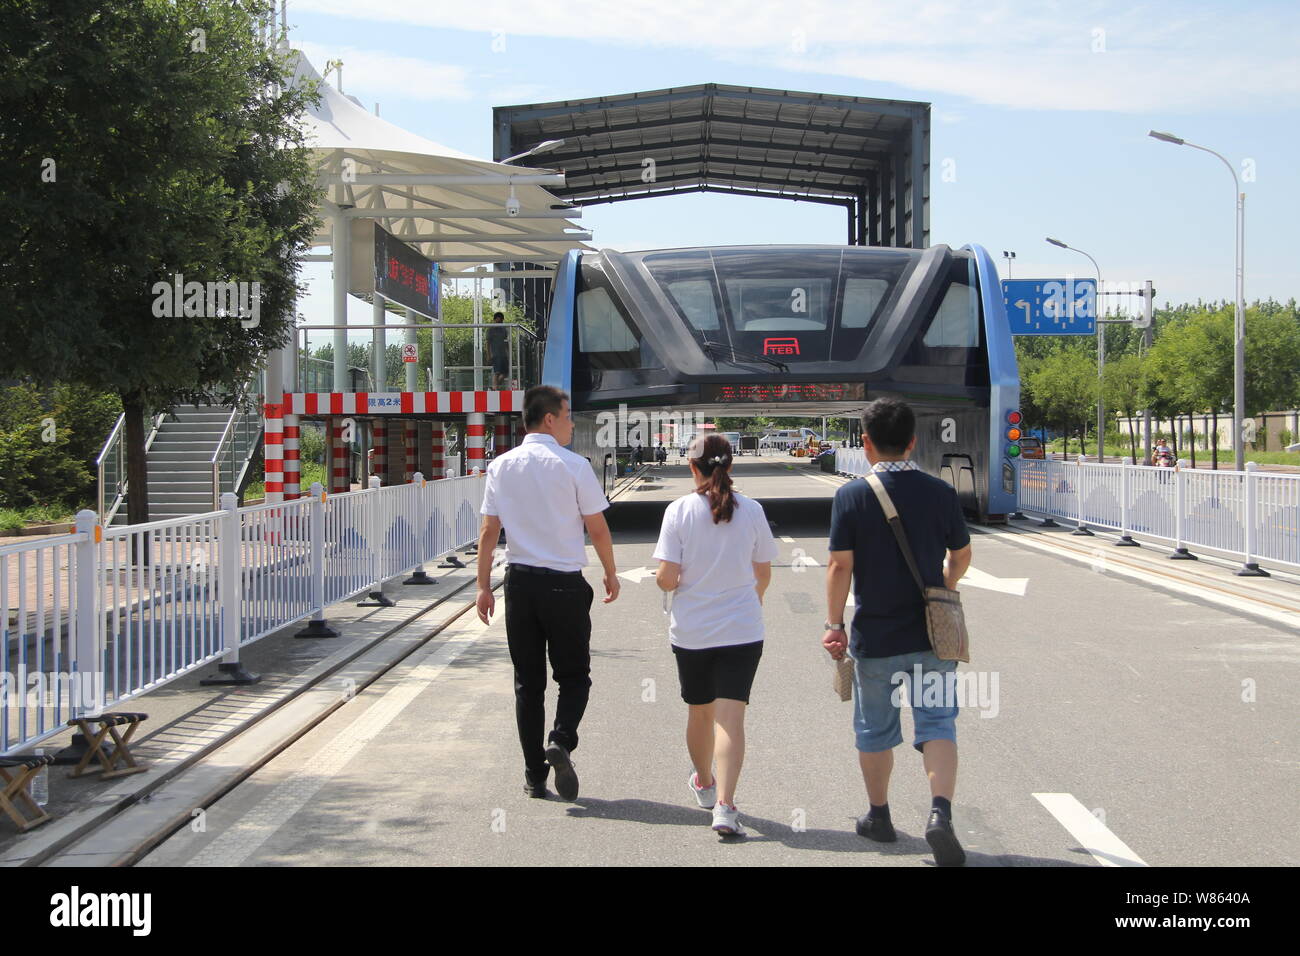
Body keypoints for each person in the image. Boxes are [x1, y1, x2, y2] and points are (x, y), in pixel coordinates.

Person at [822, 398, 973, 866]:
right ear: (913, 441)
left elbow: (838, 566)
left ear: (865, 443)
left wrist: (833, 625)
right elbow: (962, 554)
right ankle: (940, 815)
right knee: (937, 724)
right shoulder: (939, 492)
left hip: (876, 638)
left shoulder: (852, 495)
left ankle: (879, 816)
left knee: (874, 729)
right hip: (932, 637)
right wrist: (943, 587)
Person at [476, 385, 620, 801]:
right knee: (574, 677)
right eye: (568, 414)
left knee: (528, 683)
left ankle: (534, 776)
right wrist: (611, 573)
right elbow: (597, 528)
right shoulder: (575, 467)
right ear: (550, 419)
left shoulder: (500, 467)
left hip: (519, 584)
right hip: (564, 585)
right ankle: (560, 738)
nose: (573, 422)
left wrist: (483, 586)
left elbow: (489, 531)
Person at [654, 434, 777, 836]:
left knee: (699, 712)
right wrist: (750, 599)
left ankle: (704, 782)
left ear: (693, 468)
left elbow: (667, 577)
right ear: (731, 466)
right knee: (731, 719)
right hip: (743, 630)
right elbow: (763, 572)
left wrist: (670, 579)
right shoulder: (753, 510)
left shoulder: (678, 511)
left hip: (692, 632)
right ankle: (725, 806)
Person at [487, 311, 510, 389]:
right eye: (498, 320)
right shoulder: (491, 330)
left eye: (501, 321)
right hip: (495, 354)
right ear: (495, 319)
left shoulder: (504, 330)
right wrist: (489, 355)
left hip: (503, 354)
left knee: (506, 373)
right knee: (497, 372)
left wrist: (508, 353)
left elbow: (506, 341)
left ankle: (494, 387)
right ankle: (494, 387)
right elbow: (488, 343)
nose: (500, 322)